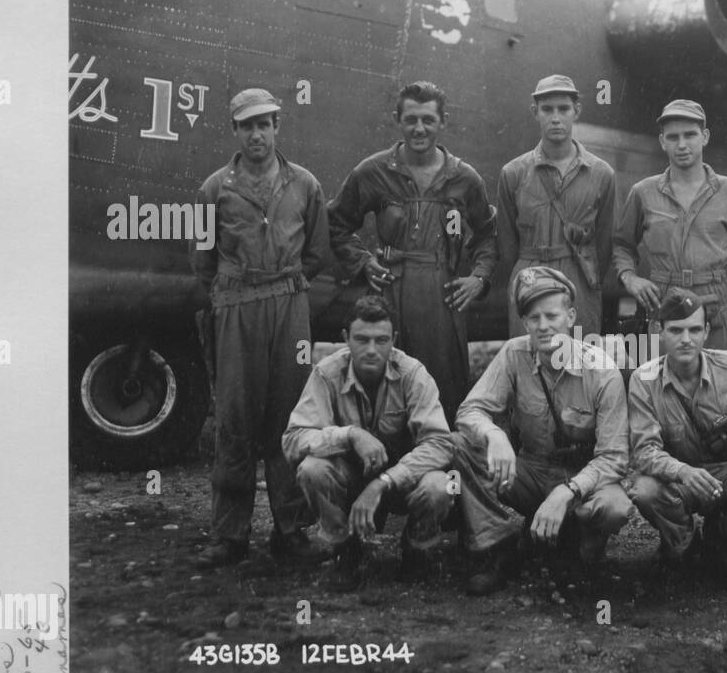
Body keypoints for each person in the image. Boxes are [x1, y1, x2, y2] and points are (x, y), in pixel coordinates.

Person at [191, 87, 329, 569]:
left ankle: (290, 530)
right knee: (234, 420)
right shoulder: (213, 189)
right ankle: (230, 535)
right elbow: (203, 261)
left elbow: (316, 252)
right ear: (235, 131)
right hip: (236, 308)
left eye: (264, 124)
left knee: (290, 417)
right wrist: (235, 295)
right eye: (247, 125)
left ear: (277, 127)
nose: (256, 134)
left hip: (289, 308)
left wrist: (286, 287)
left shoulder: (305, 184)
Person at [450, 266, 631, 595]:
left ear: (571, 316)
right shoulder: (514, 354)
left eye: (552, 315)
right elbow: (469, 411)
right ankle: (498, 545)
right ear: (525, 323)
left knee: (615, 508)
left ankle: (575, 539)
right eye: (534, 318)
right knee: (460, 446)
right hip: (531, 472)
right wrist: (495, 436)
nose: (544, 326)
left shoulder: (602, 371)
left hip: (583, 479)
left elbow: (615, 457)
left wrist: (568, 492)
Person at [326, 80, 497, 421]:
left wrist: (478, 278)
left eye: (428, 120)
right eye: (411, 119)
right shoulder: (373, 171)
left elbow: (488, 234)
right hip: (390, 292)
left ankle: (440, 462)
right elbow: (336, 224)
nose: (419, 128)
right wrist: (363, 261)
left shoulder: (464, 178)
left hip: (442, 298)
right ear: (397, 120)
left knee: (443, 389)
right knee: (388, 383)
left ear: (442, 122)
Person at [281, 295, 454, 592]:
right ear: (345, 338)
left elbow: (439, 443)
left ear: (394, 339)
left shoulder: (413, 374)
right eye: (362, 339)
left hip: (401, 481)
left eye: (381, 340)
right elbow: (294, 438)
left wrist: (384, 481)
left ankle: (417, 546)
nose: (372, 350)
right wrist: (349, 434)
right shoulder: (326, 373)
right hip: (350, 480)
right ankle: (344, 549)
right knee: (312, 470)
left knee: (444, 484)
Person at [626, 288, 727, 577]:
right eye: (675, 330)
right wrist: (683, 472)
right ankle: (682, 542)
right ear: (659, 332)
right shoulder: (643, 380)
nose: (686, 340)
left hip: (726, 475)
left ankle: (725, 537)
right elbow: (644, 451)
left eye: (694, 330)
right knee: (645, 490)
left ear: (706, 331)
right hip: (677, 482)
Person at [613, 99, 727, 356]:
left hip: (715, 312)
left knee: (717, 390)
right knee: (661, 389)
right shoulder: (643, 193)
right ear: (662, 141)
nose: (681, 145)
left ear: (705, 137)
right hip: (663, 310)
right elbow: (621, 245)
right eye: (673, 137)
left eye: (690, 135)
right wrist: (630, 278)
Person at [497, 74, 617, 340]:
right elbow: (507, 245)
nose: (555, 117)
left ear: (576, 111)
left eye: (563, 109)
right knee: (529, 360)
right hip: (529, 274)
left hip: (580, 275)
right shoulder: (514, 173)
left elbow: (605, 242)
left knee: (579, 360)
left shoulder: (601, 173)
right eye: (546, 109)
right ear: (535, 112)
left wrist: (585, 274)